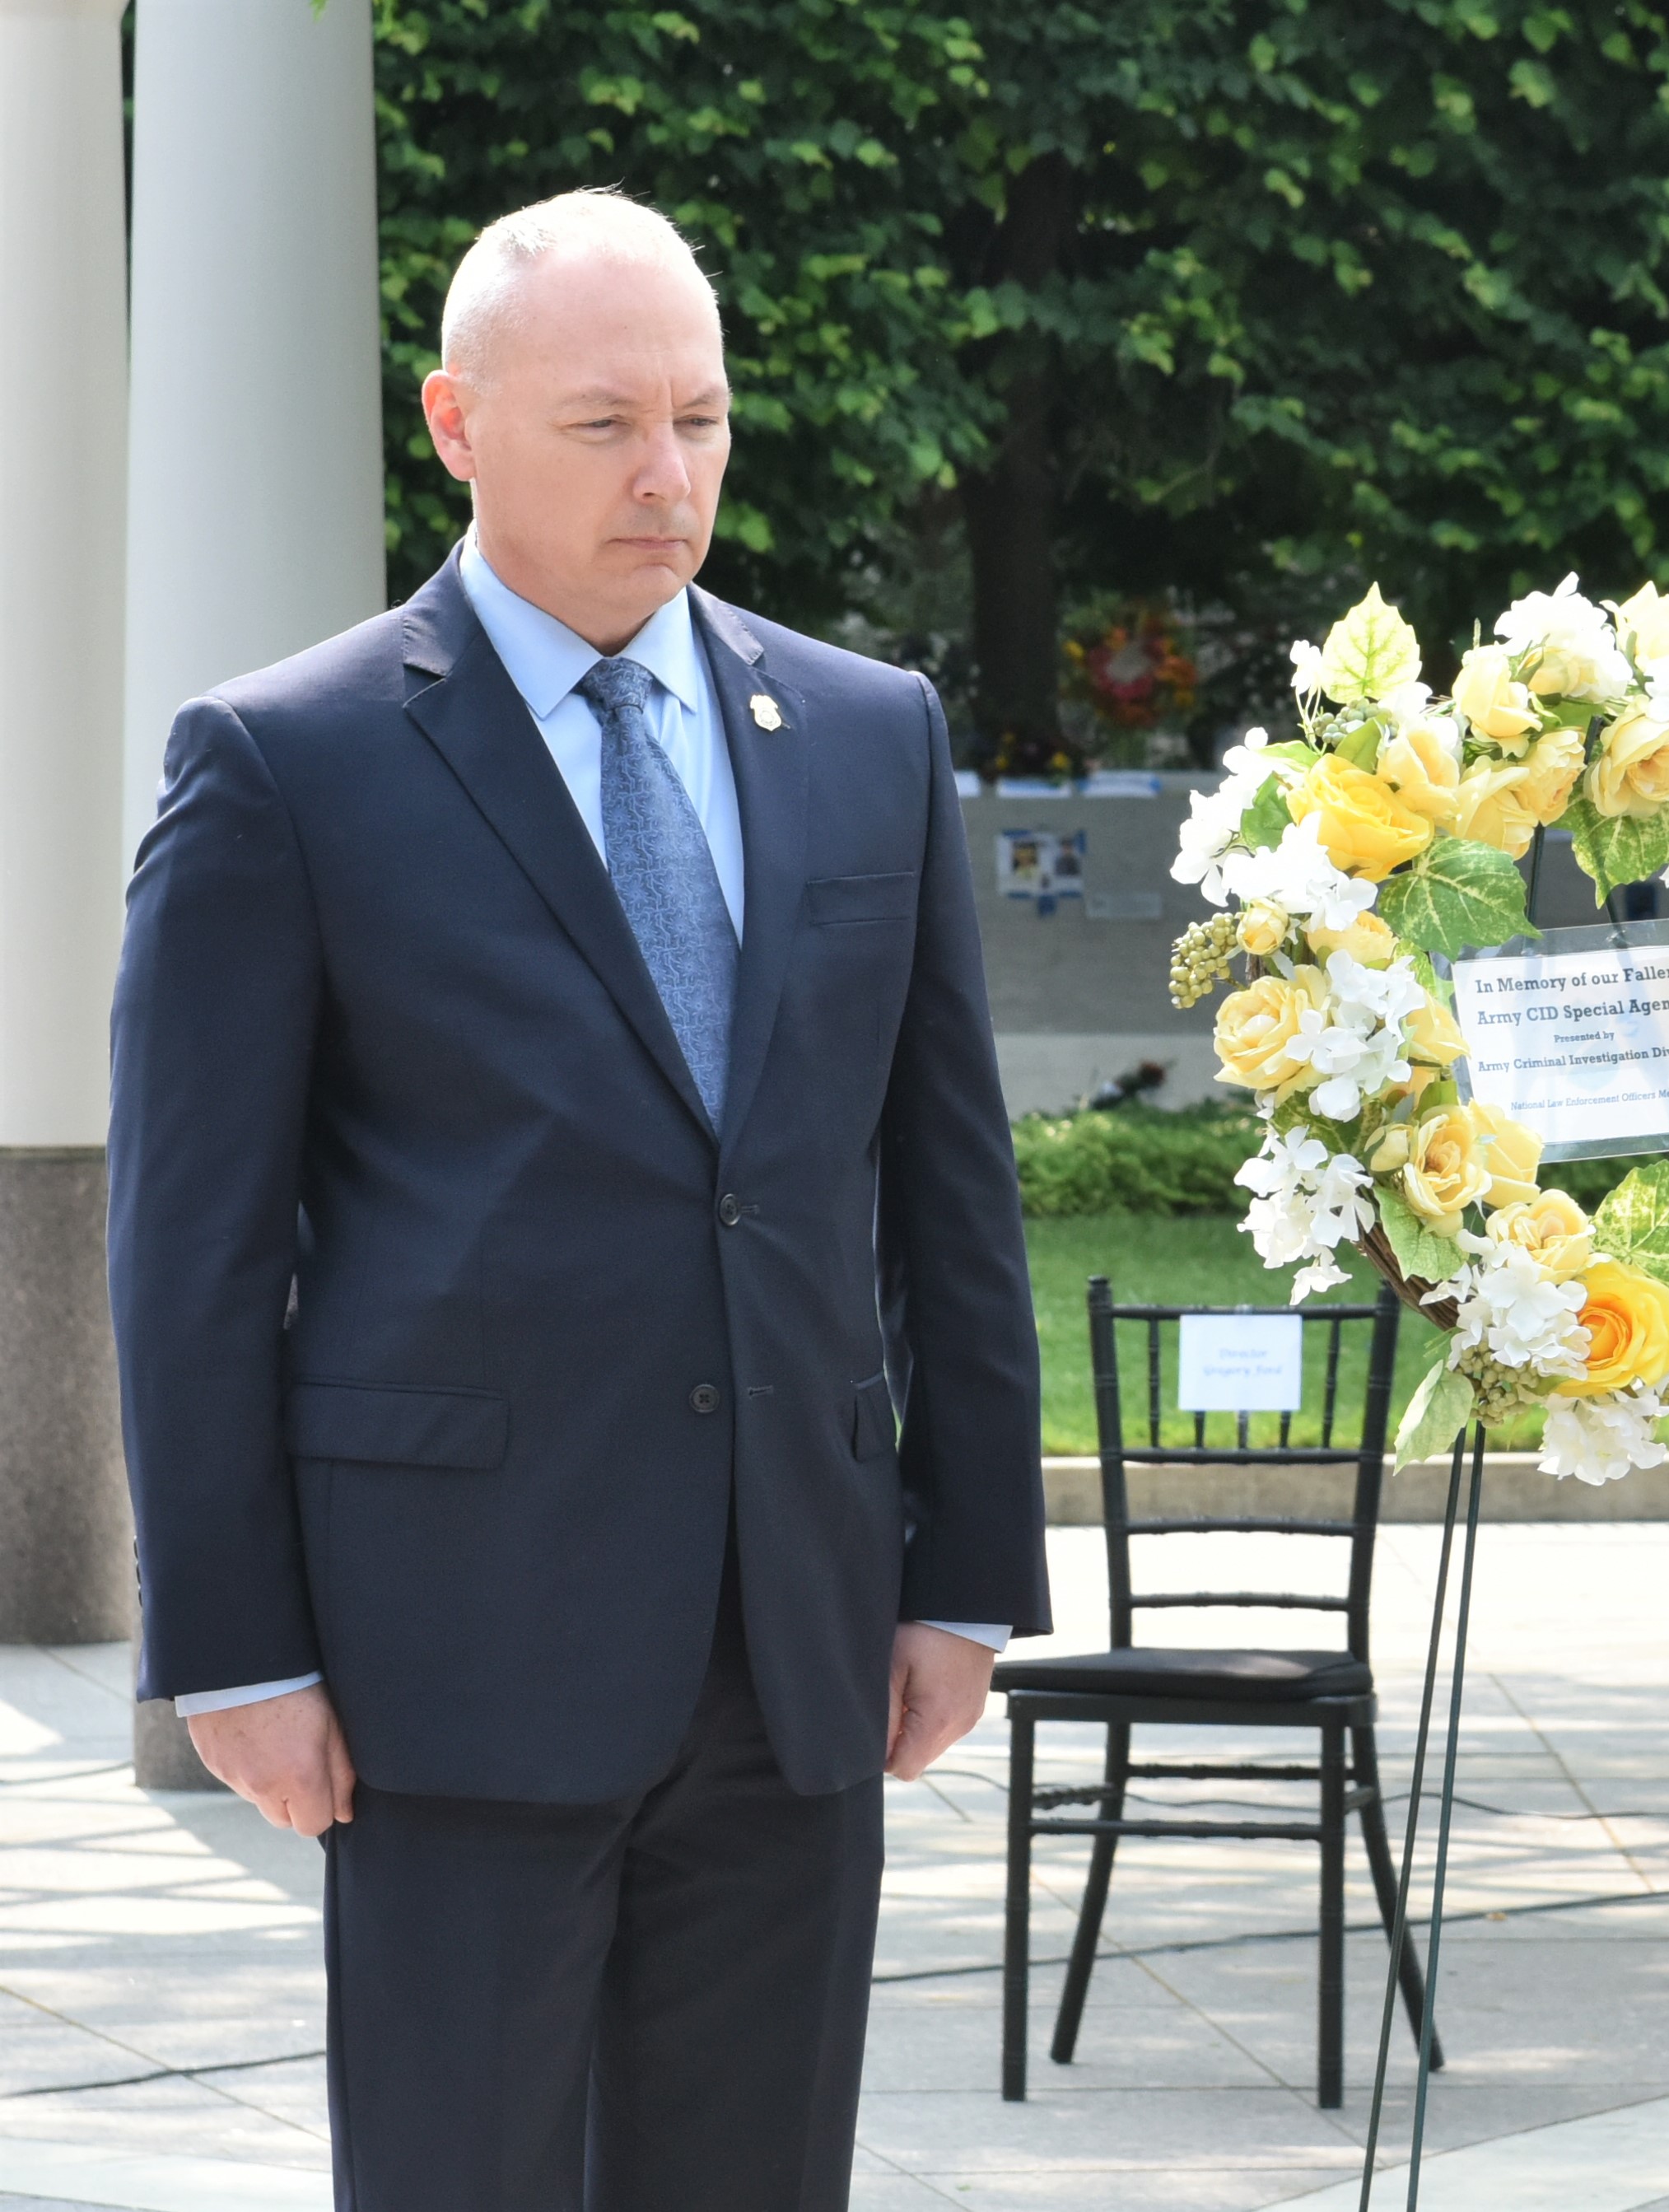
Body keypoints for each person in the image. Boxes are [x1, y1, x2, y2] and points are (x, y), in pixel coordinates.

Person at [110, 189, 1049, 2210]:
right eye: (606, 424)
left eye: (700, 421)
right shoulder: (284, 762)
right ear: (456, 424)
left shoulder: (867, 735)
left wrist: (965, 1571)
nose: (667, 477)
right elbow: (191, 1251)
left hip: (796, 1646)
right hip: (449, 1652)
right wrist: (233, 1646)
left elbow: (947, 1184)